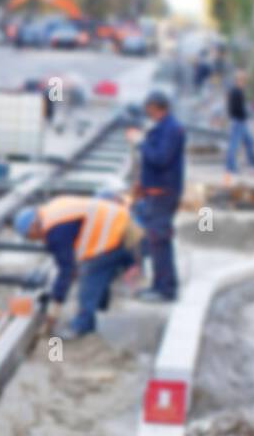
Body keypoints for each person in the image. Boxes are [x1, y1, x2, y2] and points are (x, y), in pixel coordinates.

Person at [14, 194, 143, 339]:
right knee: (99, 271)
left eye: (31, 236)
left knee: (90, 277)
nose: (35, 240)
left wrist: (56, 303)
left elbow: (66, 270)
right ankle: (100, 311)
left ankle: (81, 326)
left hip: (115, 232)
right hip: (123, 223)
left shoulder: (55, 231)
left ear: (33, 226)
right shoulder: (51, 212)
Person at [131, 90, 186, 303]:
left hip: (163, 193)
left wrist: (140, 143)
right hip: (156, 191)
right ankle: (158, 285)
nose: (147, 112)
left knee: (160, 241)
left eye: (149, 108)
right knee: (155, 242)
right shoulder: (165, 128)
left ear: (155, 107)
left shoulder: (170, 129)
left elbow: (160, 158)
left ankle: (165, 289)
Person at [225, 70, 254, 173]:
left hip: (240, 120)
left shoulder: (236, 91)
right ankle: (230, 166)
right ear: (240, 80)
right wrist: (246, 114)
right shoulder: (237, 91)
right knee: (234, 144)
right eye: (244, 80)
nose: (245, 82)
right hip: (238, 120)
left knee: (249, 141)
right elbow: (237, 108)